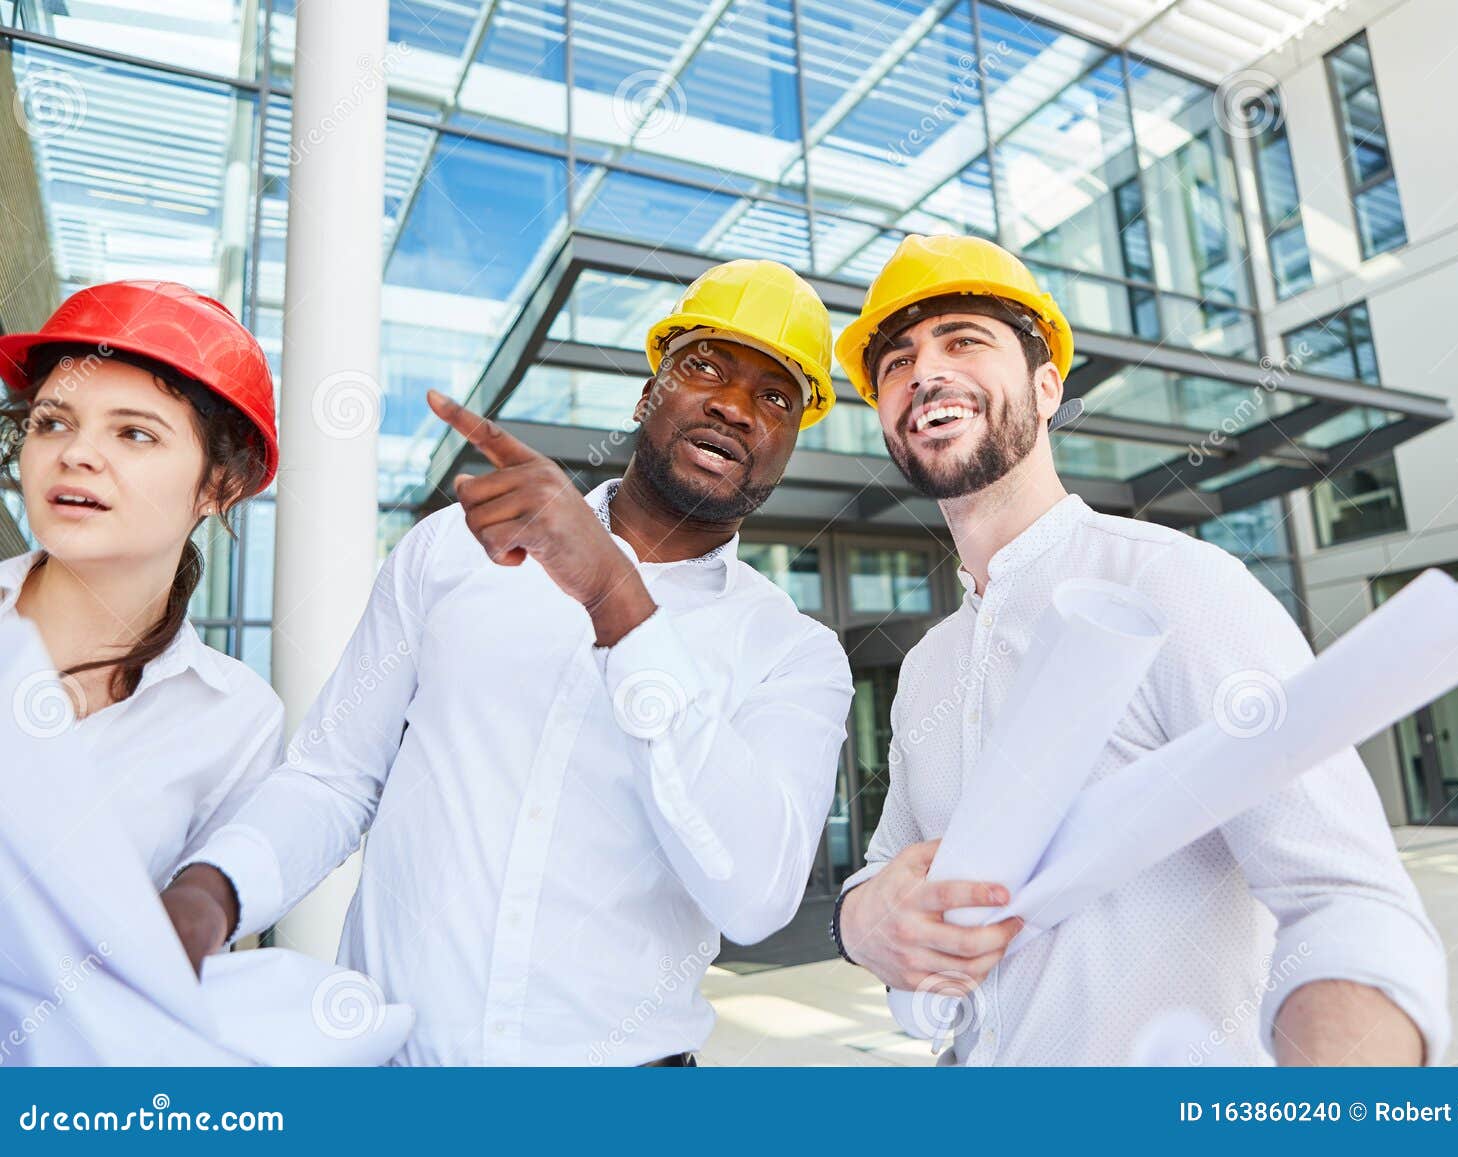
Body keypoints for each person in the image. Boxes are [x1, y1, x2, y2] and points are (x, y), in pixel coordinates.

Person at [159, 259, 856, 1066]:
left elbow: (756, 892)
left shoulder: (795, 655)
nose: (735, 406)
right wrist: (212, 889)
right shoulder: (452, 551)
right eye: (704, 365)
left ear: (789, 446)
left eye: (776, 396)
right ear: (646, 393)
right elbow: (334, 777)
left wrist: (615, 598)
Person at [828, 234, 1449, 1066]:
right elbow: (884, 868)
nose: (925, 373)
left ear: (1047, 389)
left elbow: (1345, 896)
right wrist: (858, 922)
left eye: (964, 340)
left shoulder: (1178, 585)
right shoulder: (927, 667)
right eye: (896, 362)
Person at [0, 281, 284, 893]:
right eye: (52, 423)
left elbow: (186, 956)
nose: (76, 453)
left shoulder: (236, 718)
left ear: (219, 487)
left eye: (134, 434)